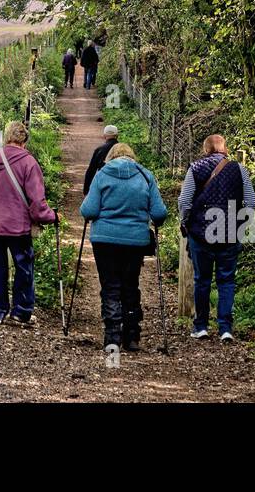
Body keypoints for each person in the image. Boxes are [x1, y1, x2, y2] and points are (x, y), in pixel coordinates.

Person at [79, 143, 168, 353]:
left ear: (110, 157)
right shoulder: (146, 176)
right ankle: (132, 336)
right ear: (133, 157)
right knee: (130, 285)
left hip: (105, 240)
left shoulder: (101, 175)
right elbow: (159, 213)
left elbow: (89, 210)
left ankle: (112, 337)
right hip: (135, 242)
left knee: (110, 286)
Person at [0, 120, 58, 325]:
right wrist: (50, 217)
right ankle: (20, 311)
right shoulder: (29, 163)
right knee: (24, 267)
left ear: (6, 138)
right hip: (18, 227)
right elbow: (37, 202)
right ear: (24, 141)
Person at [179, 134, 255, 341]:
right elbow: (250, 202)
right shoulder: (239, 169)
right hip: (230, 233)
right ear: (225, 149)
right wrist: (240, 226)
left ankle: (201, 326)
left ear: (206, 150)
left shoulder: (195, 168)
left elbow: (185, 201)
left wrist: (185, 222)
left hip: (200, 234)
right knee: (227, 281)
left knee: (201, 280)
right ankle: (225, 329)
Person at [83, 125, 119, 194]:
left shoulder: (99, 150)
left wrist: (86, 190)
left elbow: (91, 171)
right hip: (121, 182)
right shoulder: (124, 149)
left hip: (104, 183)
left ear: (104, 136)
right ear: (117, 135)